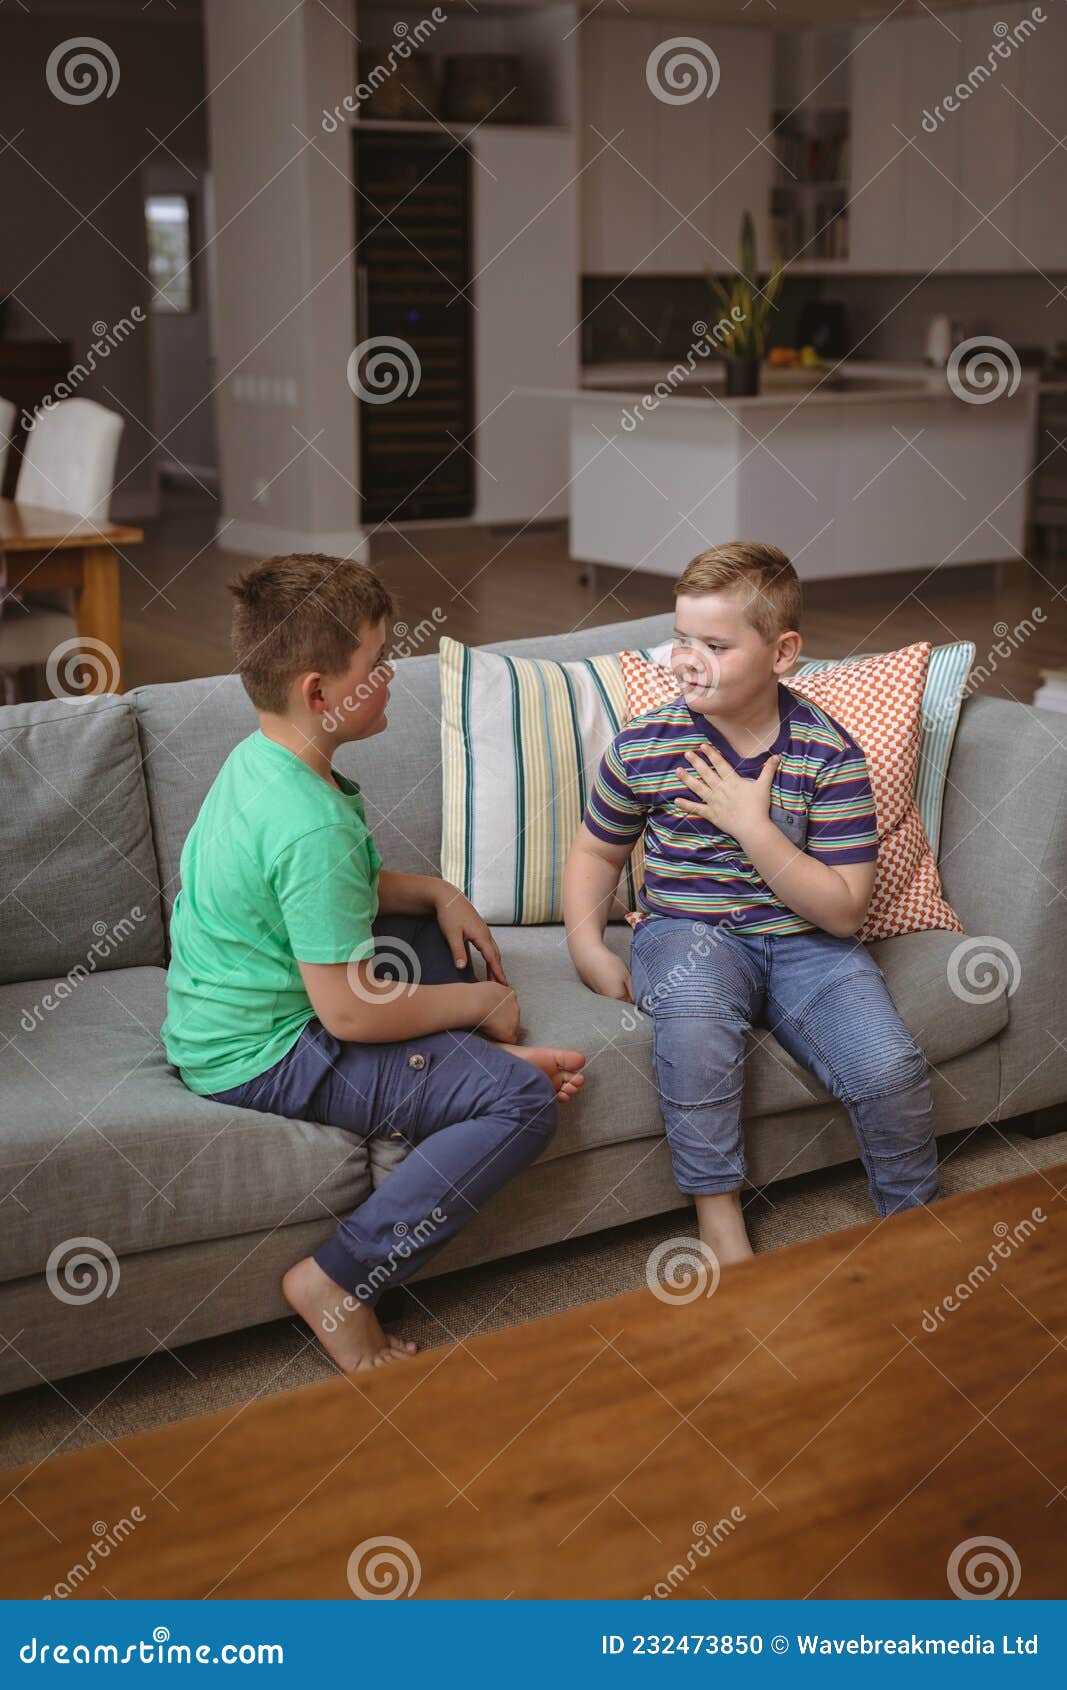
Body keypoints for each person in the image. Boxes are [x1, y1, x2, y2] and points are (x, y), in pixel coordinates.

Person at [162, 553, 584, 1371]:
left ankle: (462, 1066)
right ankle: (338, 1282)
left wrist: (434, 891)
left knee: (439, 940)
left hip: (258, 1004)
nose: (392, 675)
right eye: (377, 662)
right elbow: (349, 1013)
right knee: (523, 1103)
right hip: (266, 1051)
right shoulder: (308, 824)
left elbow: (329, 894)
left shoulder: (264, 760)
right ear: (320, 692)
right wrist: (482, 1005)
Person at [563, 541, 938, 1267]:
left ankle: (914, 1221)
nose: (688, 662)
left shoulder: (829, 754)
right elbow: (595, 854)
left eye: (715, 646)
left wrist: (752, 827)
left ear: (782, 653)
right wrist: (586, 945)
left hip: (809, 943)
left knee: (889, 1067)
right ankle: (718, 1218)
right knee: (694, 1022)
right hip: (688, 932)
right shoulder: (647, 744)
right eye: (681, 640)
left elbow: (843, 912)